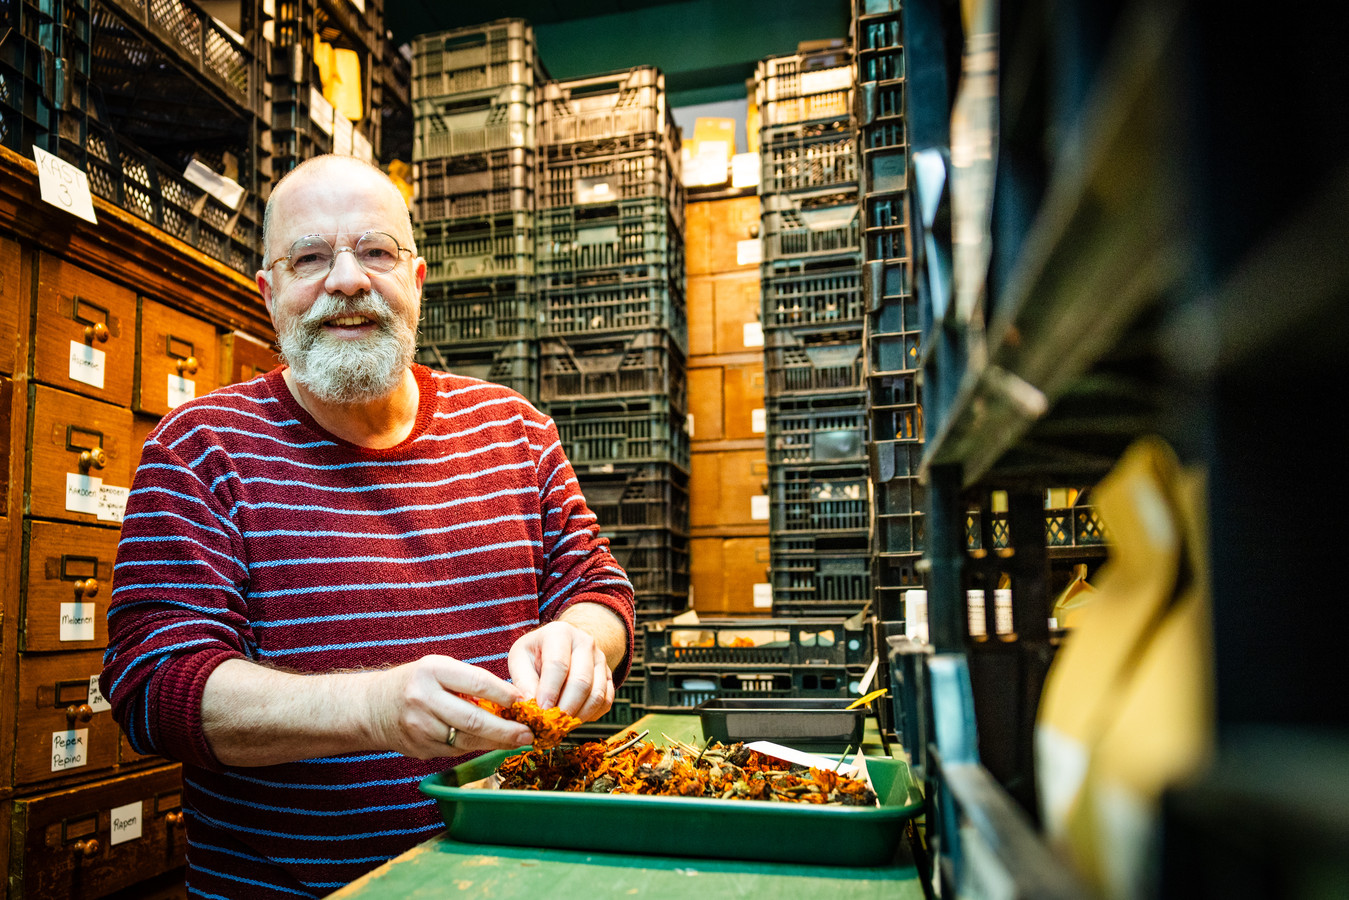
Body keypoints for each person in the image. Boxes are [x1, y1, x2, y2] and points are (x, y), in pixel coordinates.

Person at [100, 154, 635, 898]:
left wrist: (583, 639)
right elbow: (155, 689)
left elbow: (597, 588)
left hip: (514, 872)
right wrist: (373, 709)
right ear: (270, 293)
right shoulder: (199, 448)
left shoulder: (515, 430)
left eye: (376, 252)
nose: (347, 280)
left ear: (415, 283)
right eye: (310, 257)